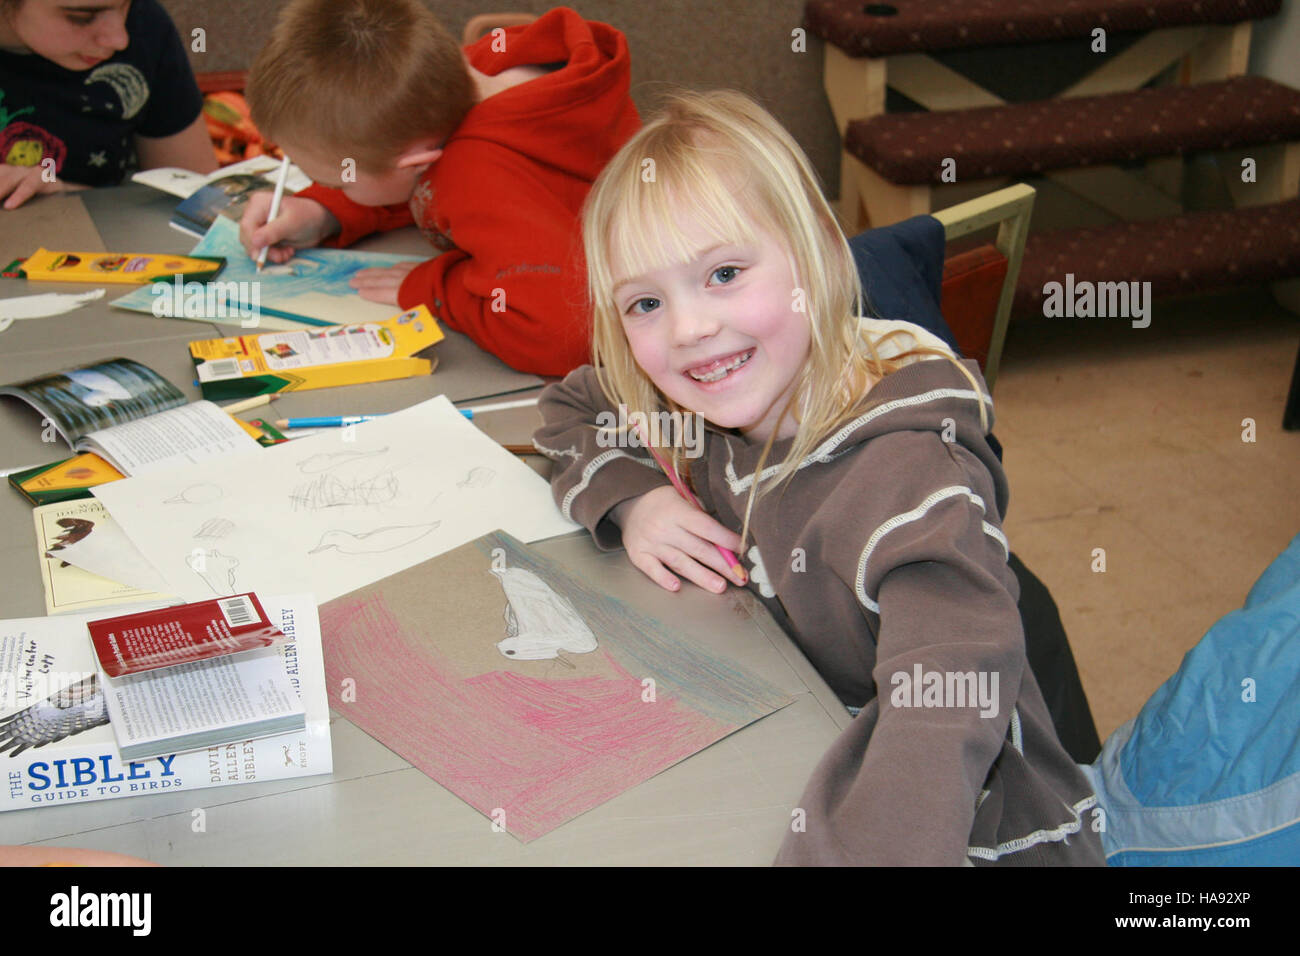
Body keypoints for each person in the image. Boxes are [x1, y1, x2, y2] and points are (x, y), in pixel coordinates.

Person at [533, 89, 1105, 865]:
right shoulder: (689, 404)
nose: (690, 328)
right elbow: (573, 408)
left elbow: (940, 712)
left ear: (821, 259)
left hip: (976, 832)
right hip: (795, 737)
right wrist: (638, 501)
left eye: (724, 272)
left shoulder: (910, 482)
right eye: (645, 302)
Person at [237, 1, 639, 377]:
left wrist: (436, 288)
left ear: (415, 163)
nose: (330, 187)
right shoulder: (459, 76)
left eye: (335, 182)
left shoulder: (479, 177)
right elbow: (409, 171)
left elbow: (562, 338)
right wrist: (324, 210)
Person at [0, 0, 216, 209]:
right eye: (81, 17)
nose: (120, 40)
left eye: (126, 5)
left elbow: (200, 202)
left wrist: (65, 194)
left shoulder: (144, 26)